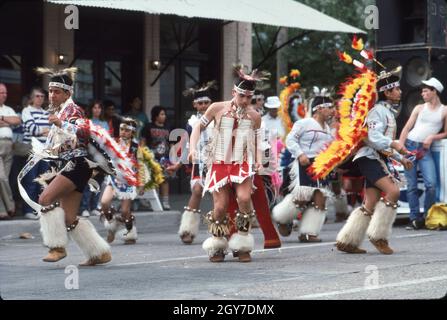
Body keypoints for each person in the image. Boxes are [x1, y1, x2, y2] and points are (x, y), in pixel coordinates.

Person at [18, 67, 112, 265]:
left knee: (45, 198)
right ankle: (99, 253)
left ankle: (56, 246)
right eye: (50, 91)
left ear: (68, 93)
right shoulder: (59, 111)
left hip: (78, 165)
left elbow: (84, 133)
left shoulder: (73, 110)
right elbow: (61, 144)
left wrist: (61, 124)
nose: (51, 95)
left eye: (56, 91)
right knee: (69, 217)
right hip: (72, 165)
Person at [189, 66, 267, 263]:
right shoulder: (217, 108)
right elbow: (199, 126)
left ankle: (242, 243)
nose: (245, 101)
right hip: (219, 163)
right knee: (221, 206)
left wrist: (258, 159)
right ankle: (217, 243)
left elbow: (258, 141)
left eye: (249, 97)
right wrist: (192, 148)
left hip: (242, 163)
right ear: (234, 93)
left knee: (243, 198)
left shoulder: (255, 116)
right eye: (242, 96)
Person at [336, 69, 413, 255]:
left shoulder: (387, 113)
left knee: (370, 202)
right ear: (387, 92)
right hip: (369, 158)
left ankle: (348, 241)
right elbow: (371, 137)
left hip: (378, 158)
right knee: (393, 191)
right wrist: (396, 145)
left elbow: (384, 145)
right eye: (397, 89)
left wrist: (401, 158)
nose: (401, 92)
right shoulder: (377, 111)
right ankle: (379, 237)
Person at [272, 92, 335, 242]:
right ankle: (282, 218)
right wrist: (300, 154)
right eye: (329, 107)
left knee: (321, 198)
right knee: (302, 197)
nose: (332, 111)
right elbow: (290, 140)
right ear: (319, 109)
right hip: (304, 163)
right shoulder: (304, 123)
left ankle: (308, 233)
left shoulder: (328, 129)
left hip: (321, 165)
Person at [399, 77, 447, 229]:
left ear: (435, 91)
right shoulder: (419, 108)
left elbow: (446, 132)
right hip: (411, 145)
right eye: (422, 91)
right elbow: (406, 128)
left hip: (425, 150)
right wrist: (400, 147)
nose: (422, 94)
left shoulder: (444, 110)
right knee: (412, 185)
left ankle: (427, 217)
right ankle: (414, 219)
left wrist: (432, 137)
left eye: (426, 91)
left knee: (431, 184)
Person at [178, 82, 215, 244]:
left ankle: (220, 229)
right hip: (199, 162)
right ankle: (187, 229)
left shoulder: (217, 118)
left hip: (216, 162)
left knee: (218, 194)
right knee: (197, 190)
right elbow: (187, 145)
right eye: (200, 103)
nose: (204, 106)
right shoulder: (191, 123)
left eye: (206, 102)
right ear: (194, 105)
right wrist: (178, 164)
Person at [20, 88, 51, 219]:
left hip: (45, 151)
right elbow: (33, 130)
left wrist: (43, 130)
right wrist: (43, 130)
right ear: (32, 98)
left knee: (43, 182)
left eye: (42, 96)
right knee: (31, 181)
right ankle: (28, 210)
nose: (40, 98)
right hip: (32, 150)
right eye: (37, 96)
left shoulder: (46, 113)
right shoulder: (26, 111)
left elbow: (52, 132)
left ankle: (39, 209)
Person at [79, 100, 109, 217]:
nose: (97, 110)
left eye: (99, 108)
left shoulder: (104, 123)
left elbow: (107, 141)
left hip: (101, 156)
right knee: (88, 181)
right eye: (95, 108)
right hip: (89, 155)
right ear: (91, 109)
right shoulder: (87, 122)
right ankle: (84, 208)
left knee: (98, 181)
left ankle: (94, 206)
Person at [142, 106, 173, 210]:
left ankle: (165, 202)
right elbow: (143, 142)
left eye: (164, 114)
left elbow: (171, 144)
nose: (164, 116)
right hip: (152, 158)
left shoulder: (168, 127)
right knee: (154, 180)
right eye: (162, 114)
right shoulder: (148, 127)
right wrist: (143, 155)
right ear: (156, 116)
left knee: (165, 180)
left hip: (165, 159)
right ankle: (155, 201)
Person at [0, 83, 20, 220]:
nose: (4, 95)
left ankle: (2, 211)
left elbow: (17, 120)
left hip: (9, 145)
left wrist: (2, 119)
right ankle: (10, 206)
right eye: (1, 92)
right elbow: (12, 122)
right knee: (1, 178)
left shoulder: (8, 109)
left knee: (4, 179)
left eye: (5, 92)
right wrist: (9, 122)